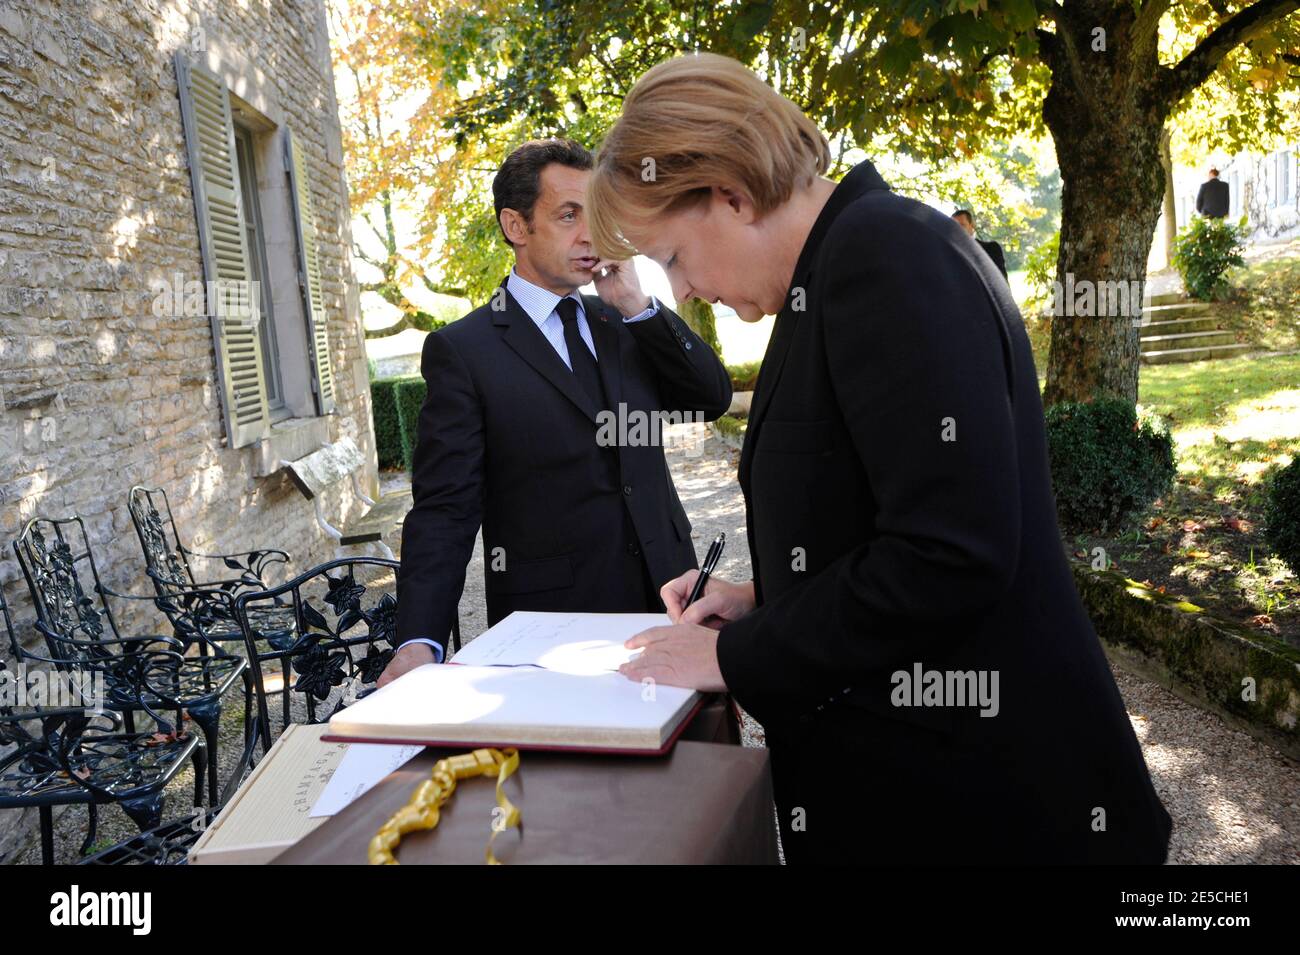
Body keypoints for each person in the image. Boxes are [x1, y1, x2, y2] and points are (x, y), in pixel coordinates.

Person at [588, 53, 1172, 864]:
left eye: (675, 257)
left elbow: (951, 553)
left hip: (988, 810)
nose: (680, 291)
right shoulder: (833, 269)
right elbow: (881, 515)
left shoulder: (881, 256)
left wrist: (733, 654)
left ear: (730, 192)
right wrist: (761, 600)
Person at [380, 138, 731, 687]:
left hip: (672, 597)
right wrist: (418, 640)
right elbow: (445, 510)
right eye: (569, 215)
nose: (590, 234)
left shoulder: (624, 320)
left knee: (693, 741)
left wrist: (638, 306)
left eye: (596, 214)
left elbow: (710, 399)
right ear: (516, 226)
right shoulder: (464, 351)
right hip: (555, 629)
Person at [952, 209, 1008, 280]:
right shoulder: (949, 253)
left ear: (972, 226)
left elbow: (1002, 280)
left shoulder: (991, 248)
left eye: (962, 225)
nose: (958, 229)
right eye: (954, 226)